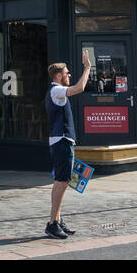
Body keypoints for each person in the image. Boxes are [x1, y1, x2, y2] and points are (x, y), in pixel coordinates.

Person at [45, 51, 91, 240]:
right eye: (67, 73)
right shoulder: (56, 90)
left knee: (62, 181)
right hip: (61, 140)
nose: (69, 75)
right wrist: (88, 67)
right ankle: (52, 224)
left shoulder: (55, 91)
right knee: (61, 182)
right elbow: (79, 87)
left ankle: (58, 219)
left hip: (62, 140)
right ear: (58, 76)